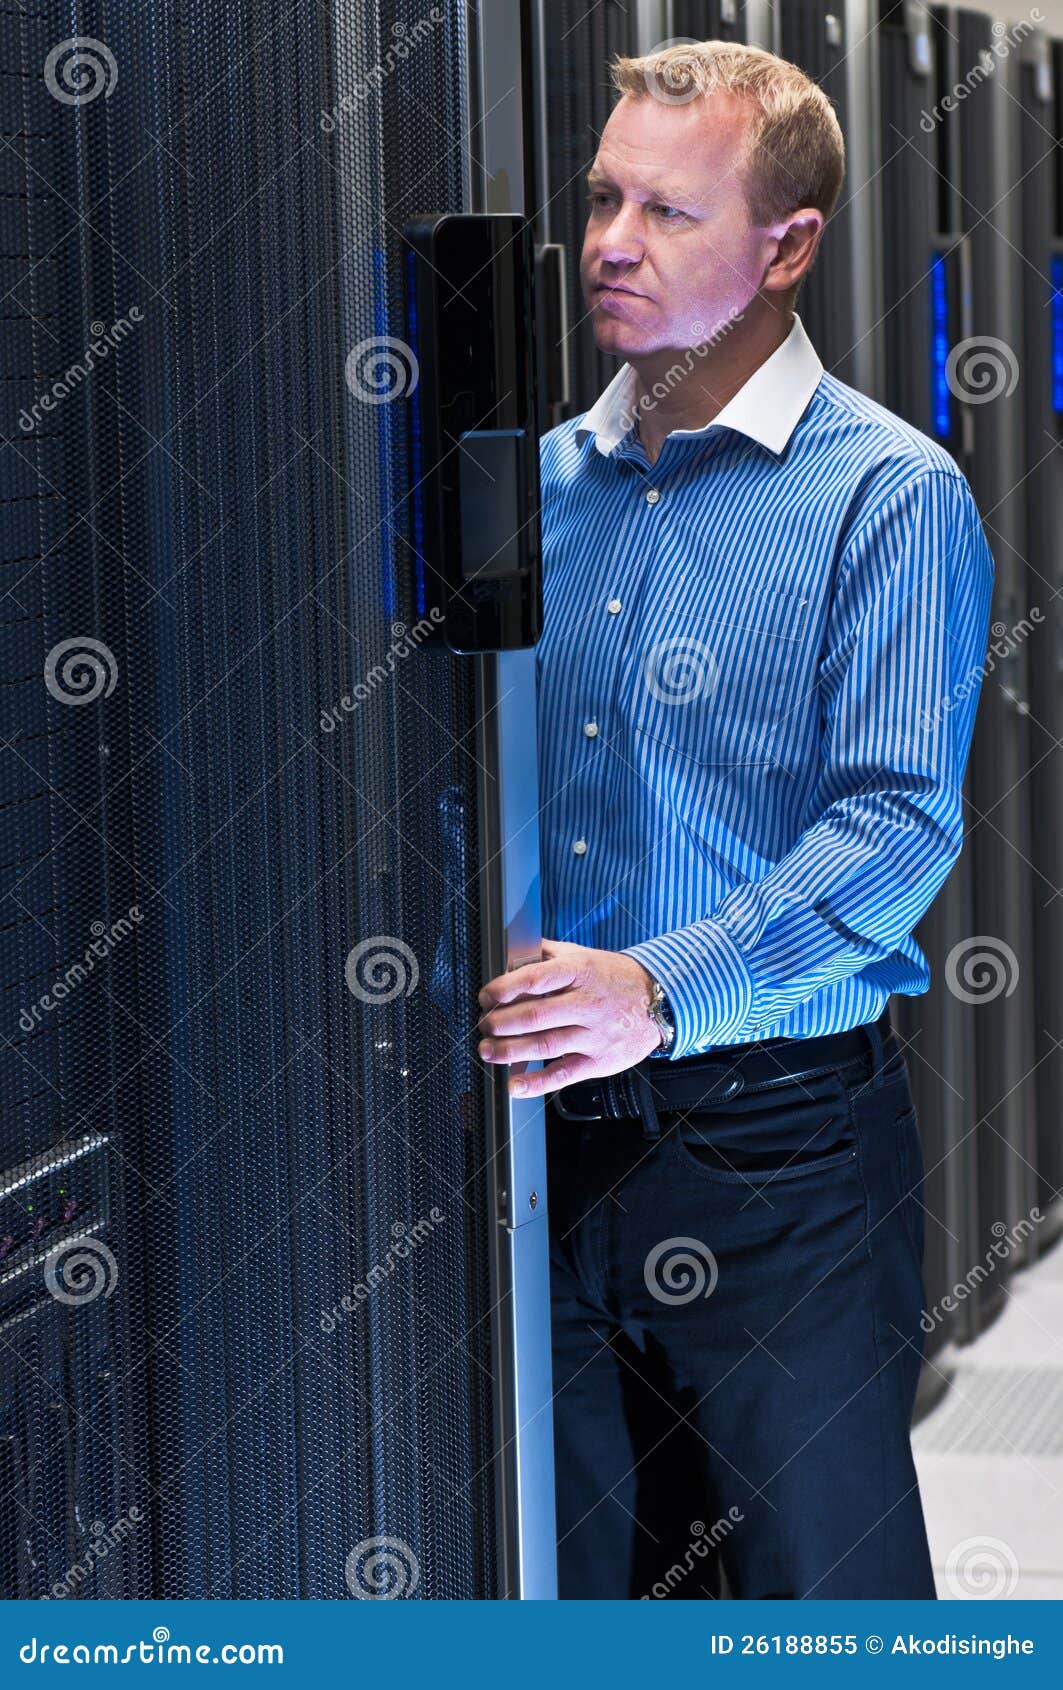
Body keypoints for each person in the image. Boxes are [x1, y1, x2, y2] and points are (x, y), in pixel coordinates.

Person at [476, 40, 994, 1599]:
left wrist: (661, 986)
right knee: (584, 1584)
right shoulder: (533, 491)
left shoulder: (886, 497)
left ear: (790, 245)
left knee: (809, 1595)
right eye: (604, 199)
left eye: (670, 213)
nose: (612, 244)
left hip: (774, 1150)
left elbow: (896, 824)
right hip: (535, 1143)